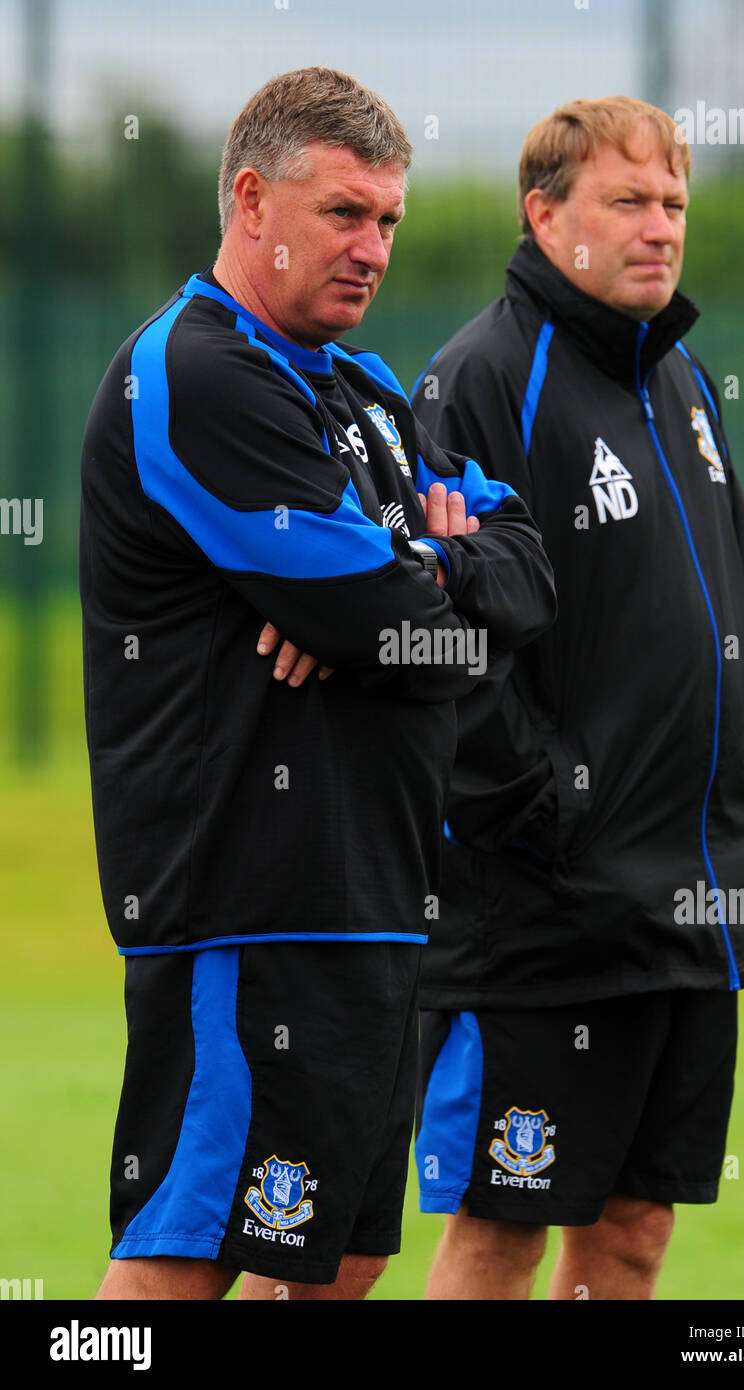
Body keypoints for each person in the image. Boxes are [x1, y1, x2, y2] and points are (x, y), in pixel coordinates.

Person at [79, 66, 555, 1302]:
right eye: (344, 213)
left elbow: (523, 571)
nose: (373, 248)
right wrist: (398, 589)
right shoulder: (192, 373)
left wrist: (412, 575)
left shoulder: (367, 396)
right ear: (250, 198)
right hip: (244, 901)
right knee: (176, 1264)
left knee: (339, 1265)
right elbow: (379, 612)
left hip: (381, 899)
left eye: (388, 221)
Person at [407, 96, 744, 1300]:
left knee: (632, 1231)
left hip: (693, 894)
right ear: (544, 213)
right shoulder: (480, 380)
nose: (658, 228)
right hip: (545, 915)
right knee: (500, 1228)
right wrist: (546, 814)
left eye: (672, 203)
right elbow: (447, 638)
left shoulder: (680, 374)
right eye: (626, 202)